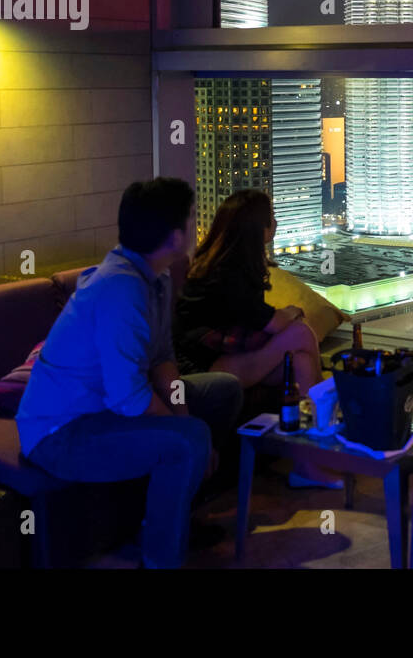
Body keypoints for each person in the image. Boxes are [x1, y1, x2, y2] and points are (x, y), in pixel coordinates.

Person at [17, 178, 243, 569]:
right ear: (174, 235)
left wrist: (184, 415)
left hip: (107, 409)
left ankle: (173, 518)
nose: (195, 226)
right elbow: (130, 397)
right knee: (187, 441)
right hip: (63, 433)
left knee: (221, 392)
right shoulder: (121, 288)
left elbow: (162, 361)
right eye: (190, 219)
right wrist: (187, 434)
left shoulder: (155, 277)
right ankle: (159, 559)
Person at [174, 189, 340, 489]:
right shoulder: (227, 273)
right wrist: (293, 310)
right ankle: (326, 428)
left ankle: (308, 463)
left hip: (230, 359)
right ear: (258, 229)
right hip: (206, 371)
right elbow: (274, 324)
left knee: (301, 362)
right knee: (300, 333)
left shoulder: (226, 263)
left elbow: (255, 324)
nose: (274, 225)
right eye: (271, 220)